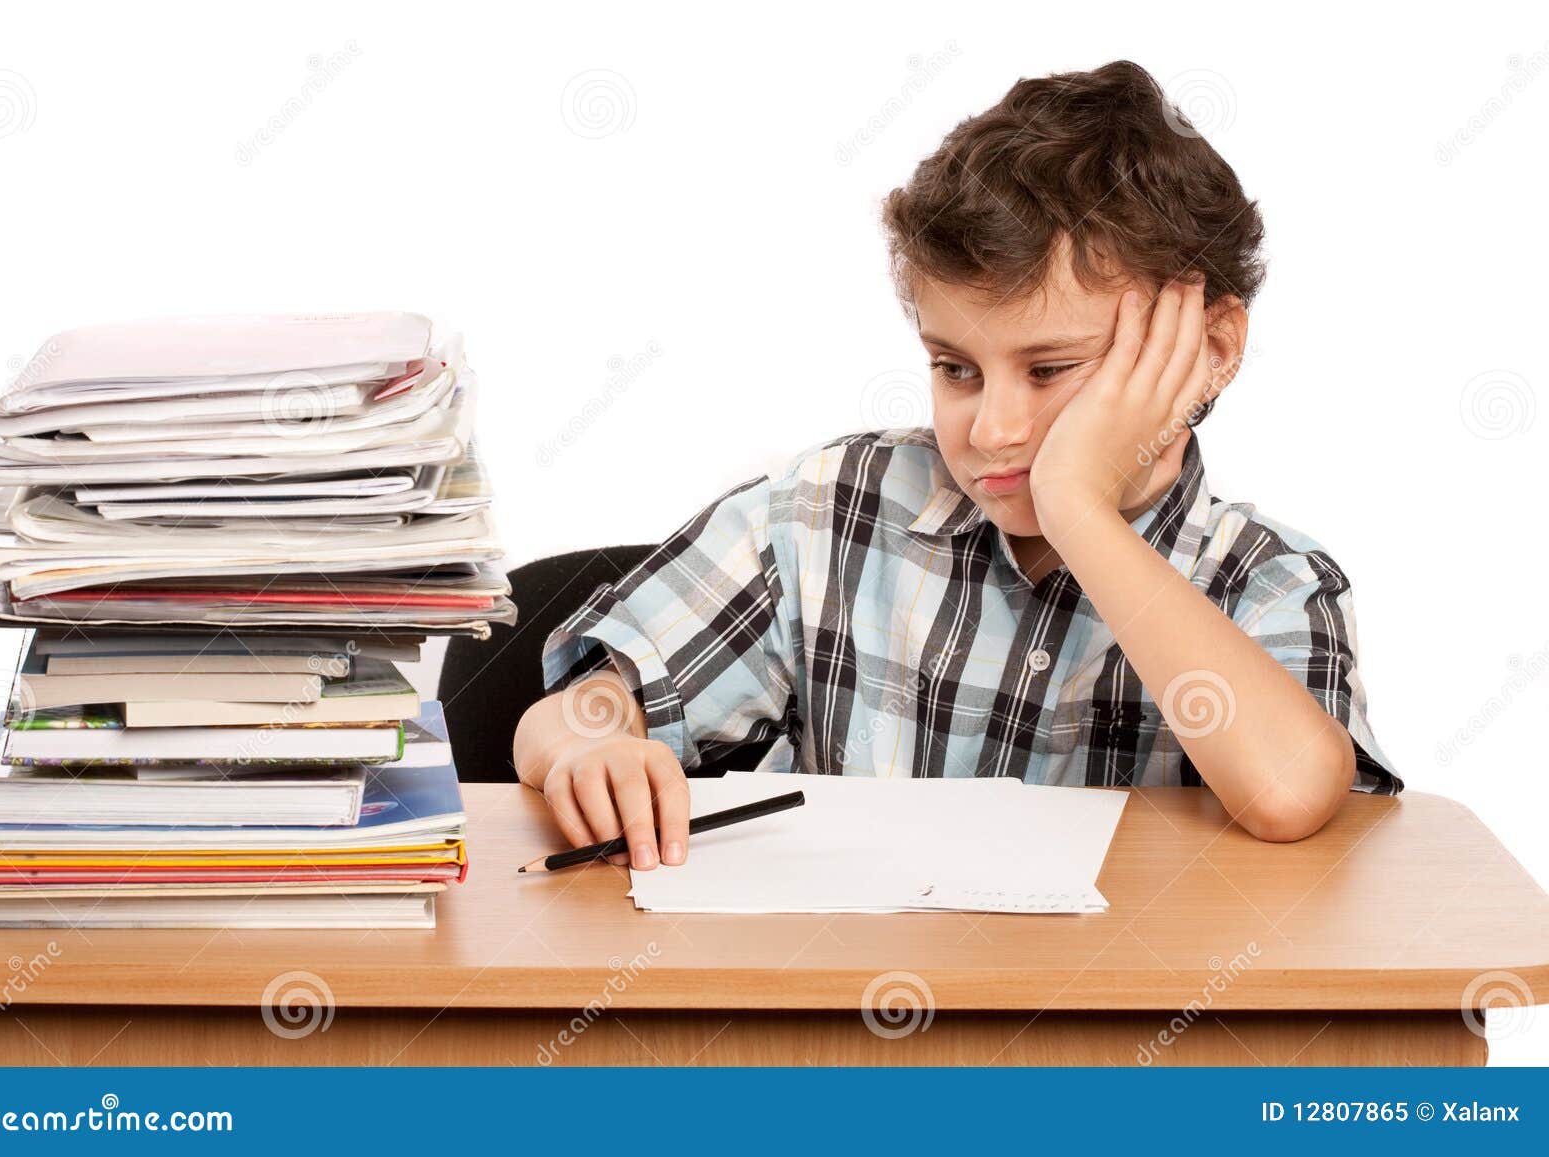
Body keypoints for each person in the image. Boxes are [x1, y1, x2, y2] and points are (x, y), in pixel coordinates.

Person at [512, 59, 1400, 869]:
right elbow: (569, 711)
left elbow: (1288, 794)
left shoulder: (1271, 584)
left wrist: (1077, 509)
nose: (996, 429)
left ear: (1211, 347)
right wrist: (589, 747)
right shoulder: (829, 511)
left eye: (1049, 370)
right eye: (957, 369)